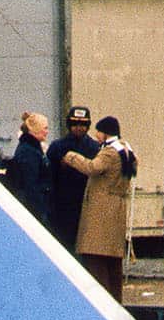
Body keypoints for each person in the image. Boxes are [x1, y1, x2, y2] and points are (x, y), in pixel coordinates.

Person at [63, 115, 136, 301]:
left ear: (104, 132)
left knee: (96, 259)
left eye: (98, 131)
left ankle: (103, 304)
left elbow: (92, 167)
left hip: (101, 212)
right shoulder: (126, 149)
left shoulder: (109, 153)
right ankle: (116, 302)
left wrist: (71, 156)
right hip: (116, 210)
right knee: (113, 263)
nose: (95, 135)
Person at [46, 106, 98, 251]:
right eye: (75, 124)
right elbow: (50, 175)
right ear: (69, 125)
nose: (79, 128)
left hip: (85, 204)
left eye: (83, 125)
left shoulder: (94, 148)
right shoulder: (57, 146)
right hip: (62, 205)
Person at [8, 111, 52, 228]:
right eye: (45, 128)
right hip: (33, 207)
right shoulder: (28, 152)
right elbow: (30, 184)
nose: (47, 132)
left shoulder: (34, 148)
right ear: (35, 129)